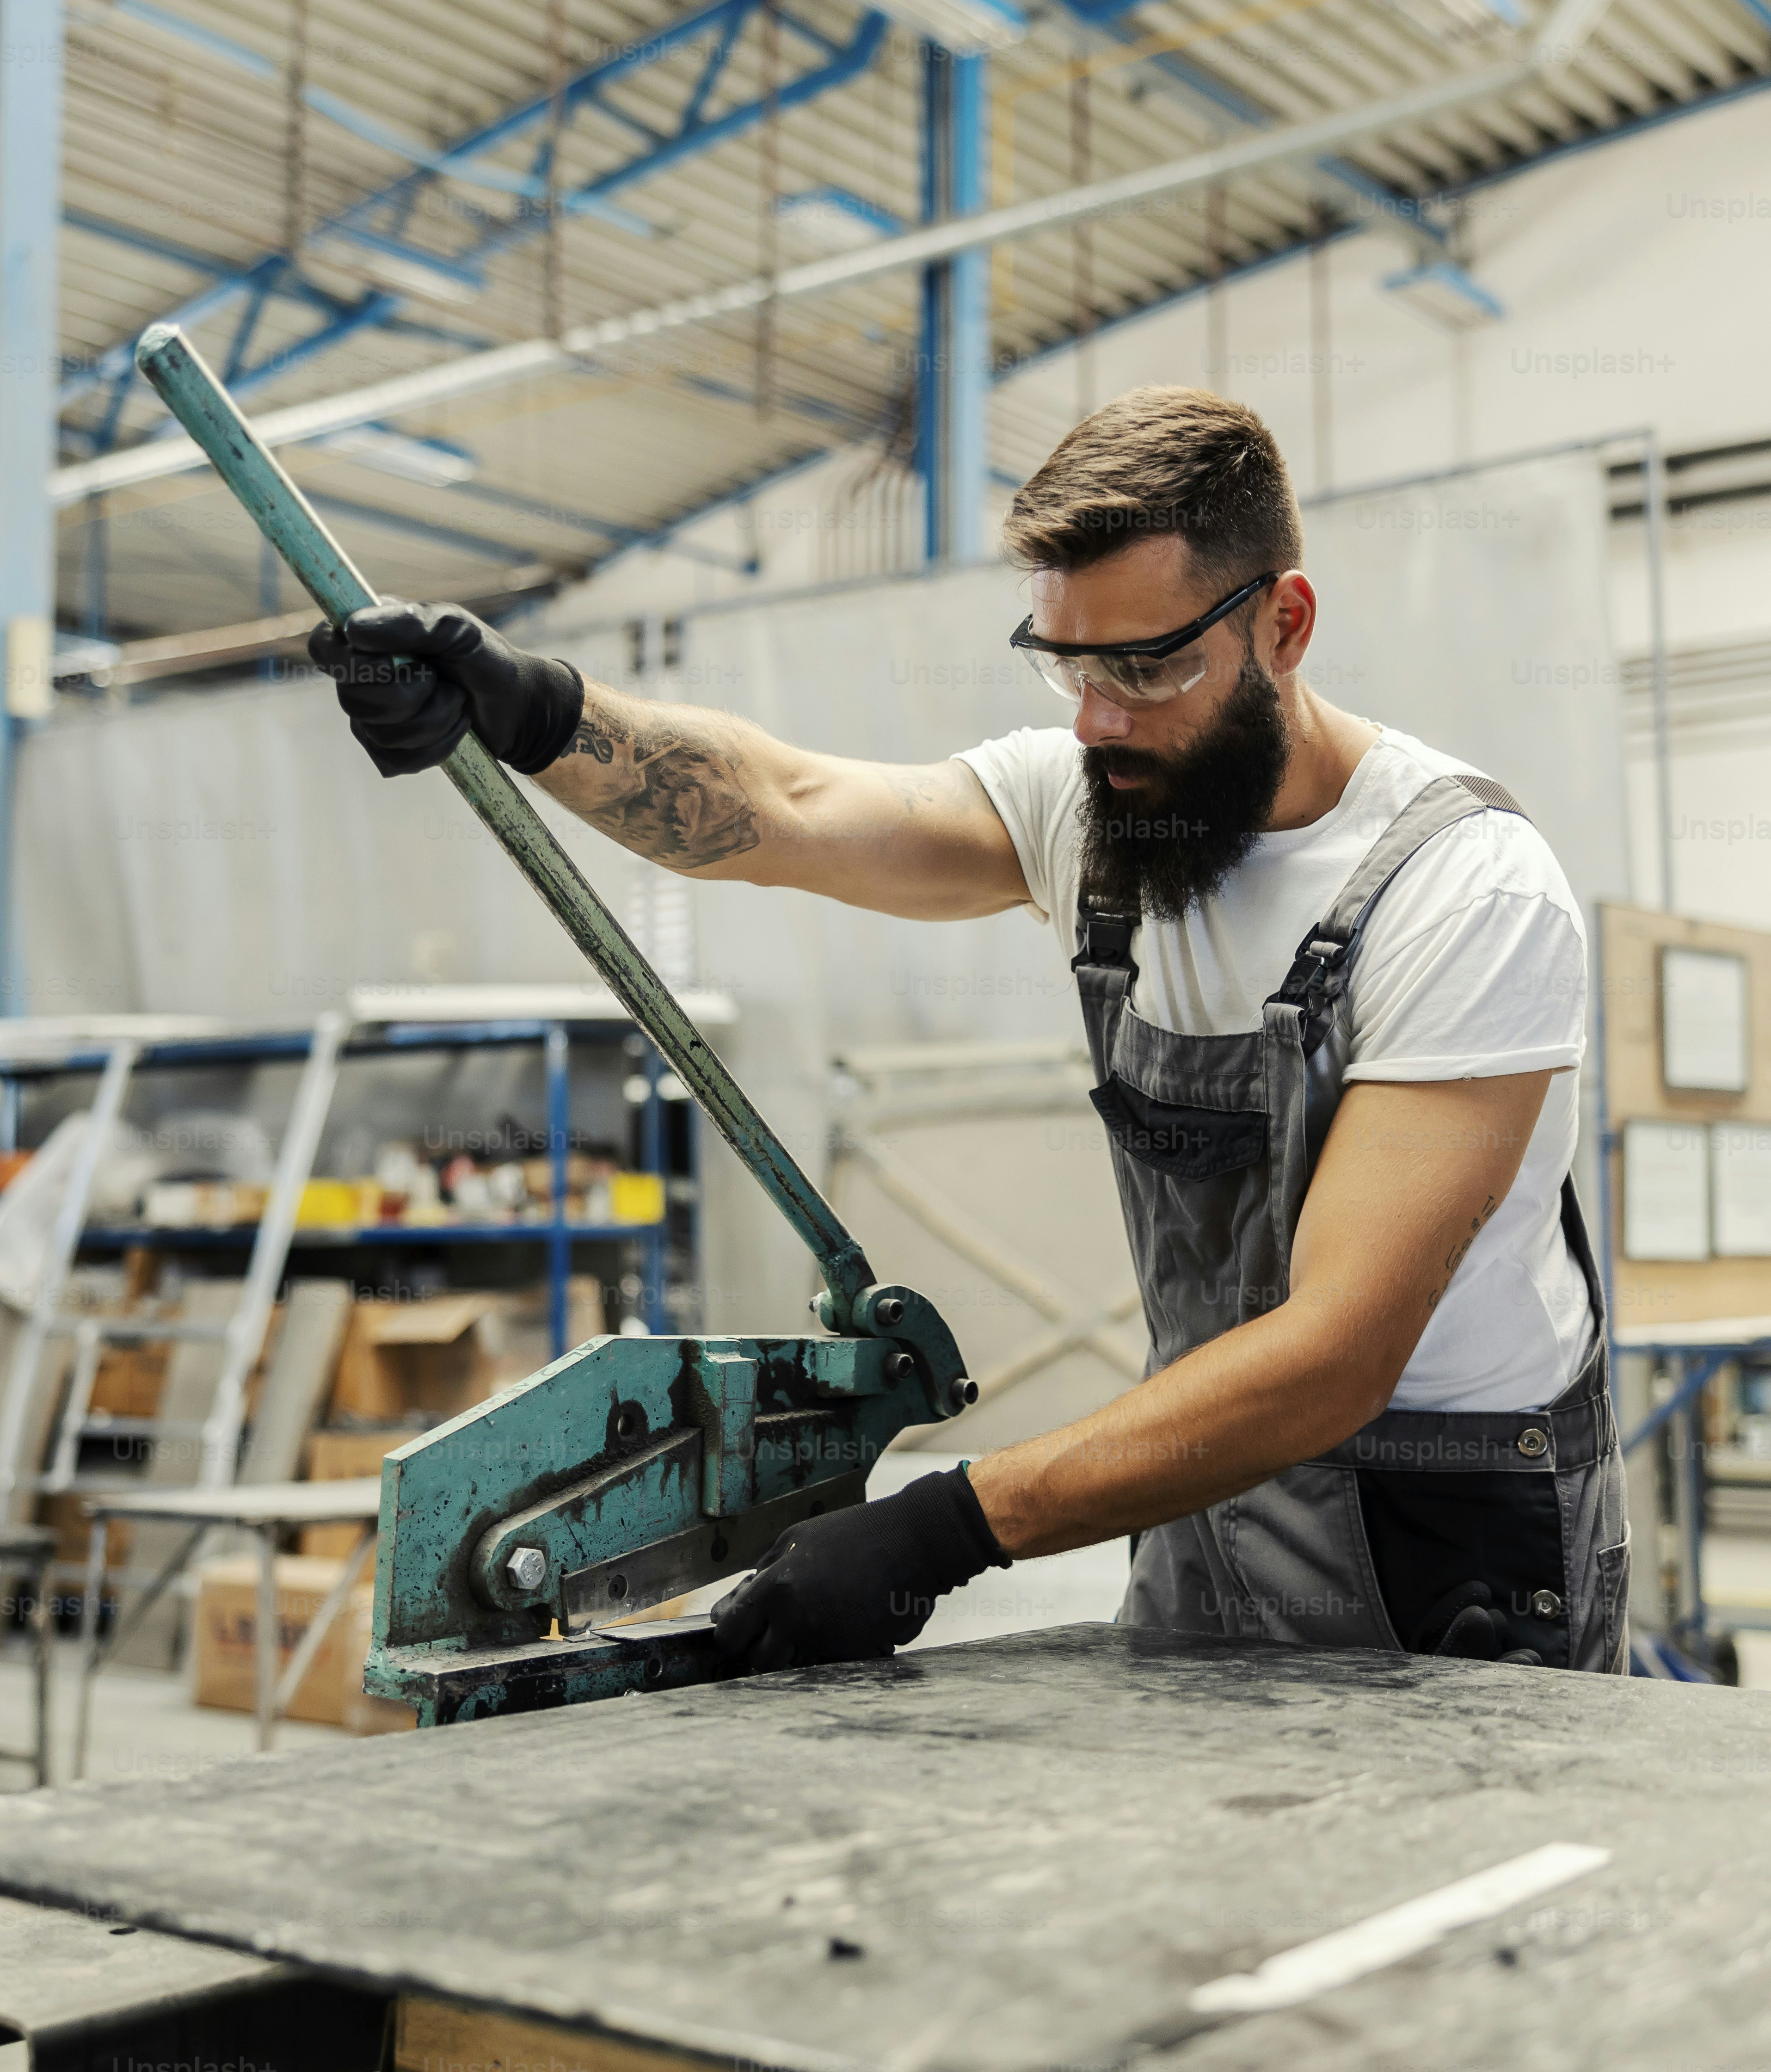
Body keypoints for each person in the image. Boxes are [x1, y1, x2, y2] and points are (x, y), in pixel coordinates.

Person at [309, 384, 1623, 1677]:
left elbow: (1336, 1356)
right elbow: (794, 804)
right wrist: (537, 716)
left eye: (1150, 666)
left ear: (1284, 623)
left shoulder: (1466, 891)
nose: (1099, 720)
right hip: (1204, 1500)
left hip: (1445, 1536)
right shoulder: (1094, 803)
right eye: (1067, 664)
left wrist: (948, 1525)